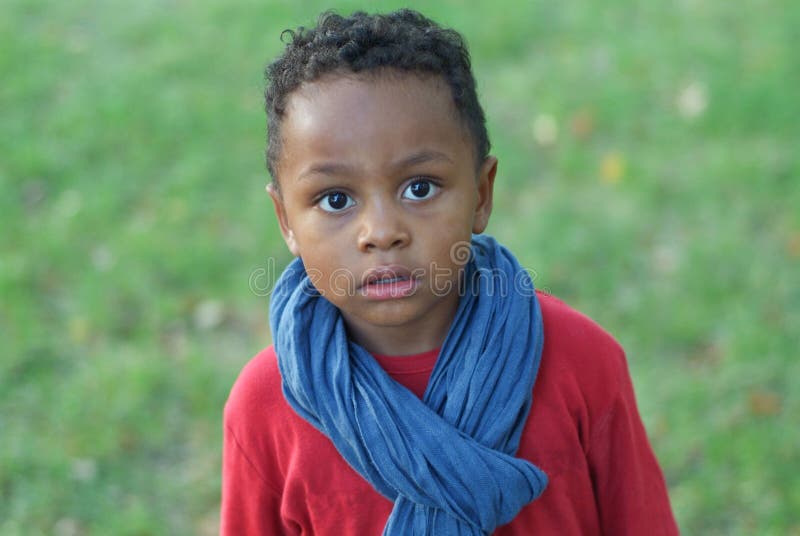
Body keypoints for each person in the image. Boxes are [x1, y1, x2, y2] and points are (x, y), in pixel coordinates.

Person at [221, 9, 678, 535]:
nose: (381, 230)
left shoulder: (582, 363)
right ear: (286, 221)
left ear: (481, 194)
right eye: (335, 198)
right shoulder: (264, 408)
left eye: (420, 187)